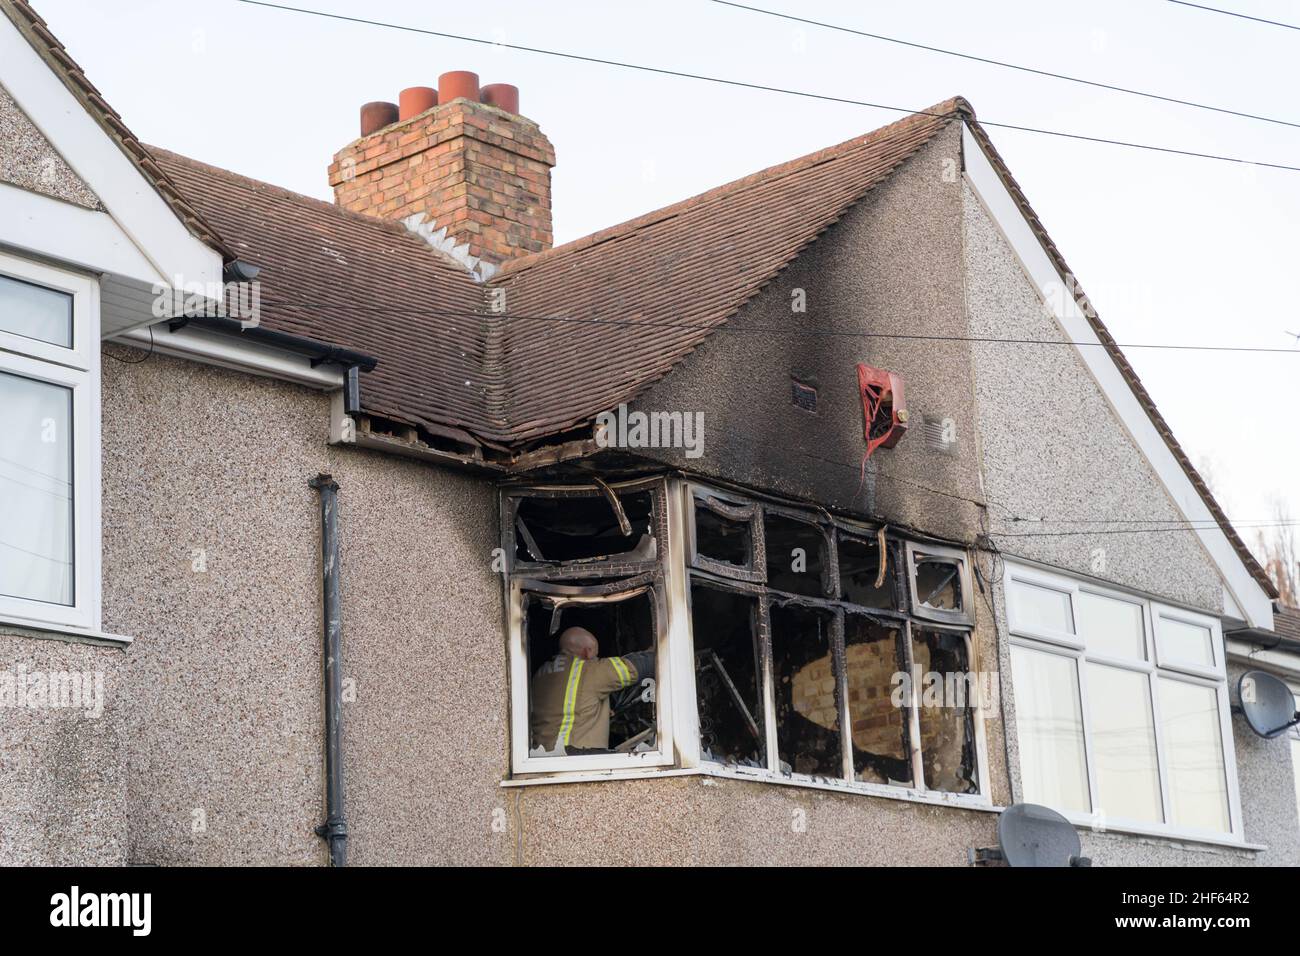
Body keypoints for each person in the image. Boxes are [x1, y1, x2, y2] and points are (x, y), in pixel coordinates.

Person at [530, 626, 654, 754]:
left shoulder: (541, 673)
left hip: (541, 756)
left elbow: (565, 708)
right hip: (575, 756)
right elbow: (635, 666)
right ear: (588, 651)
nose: (597, 659)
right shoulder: (586, 669)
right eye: (597, 655)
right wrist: (658, 651)